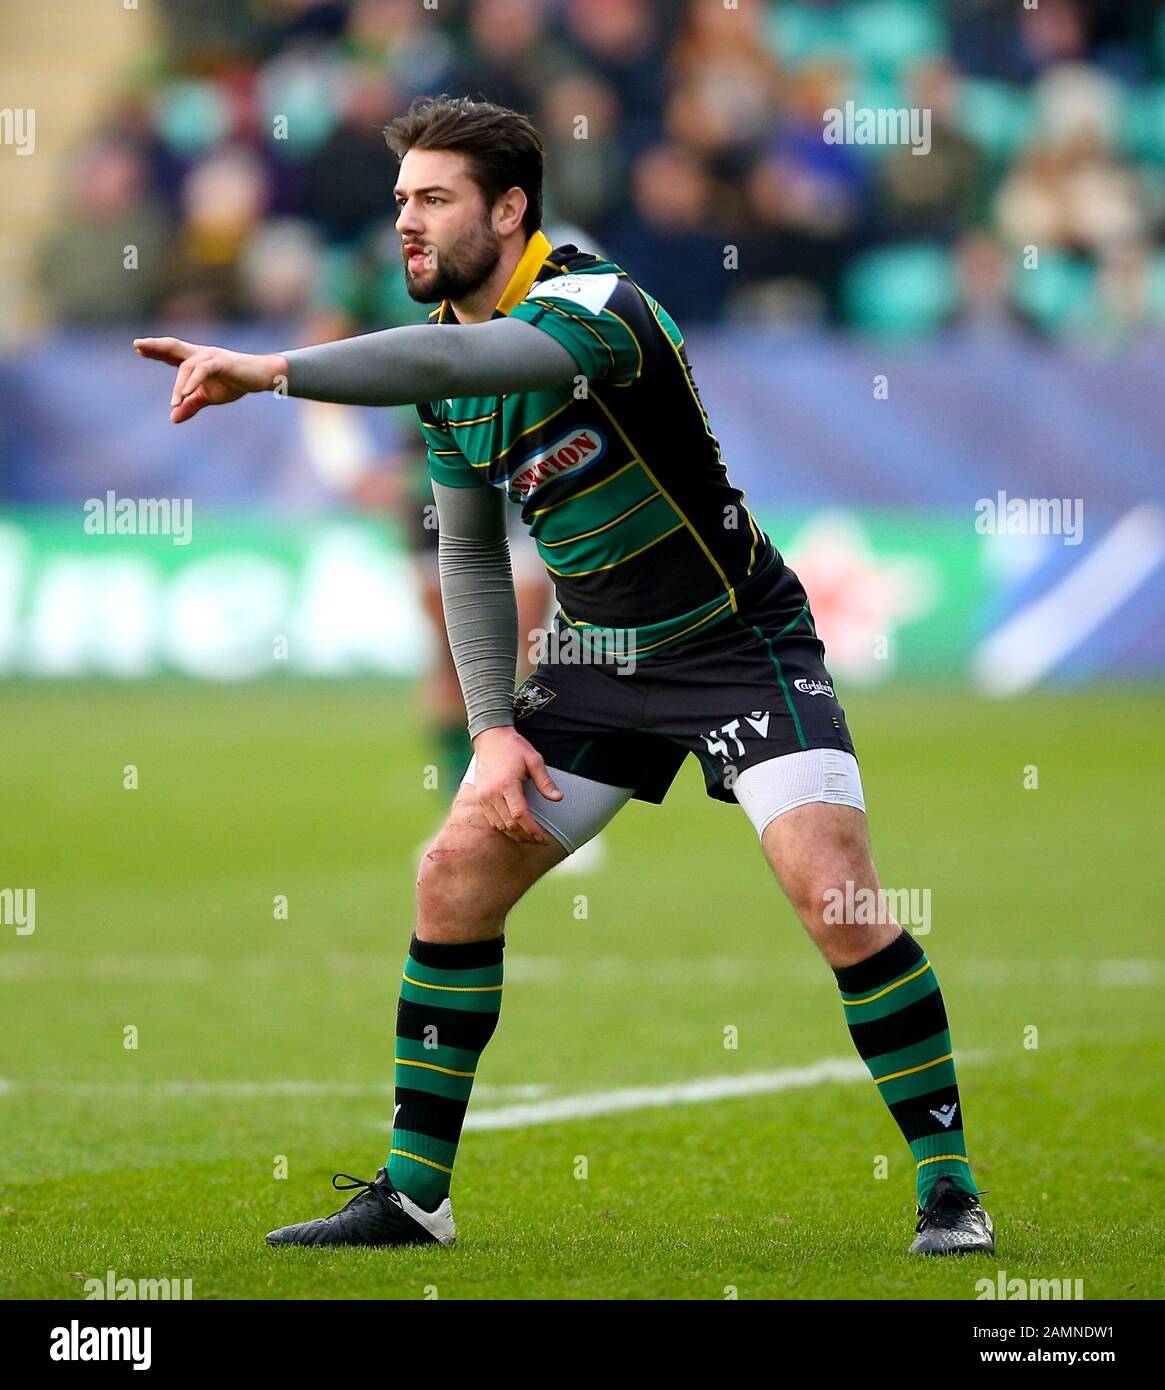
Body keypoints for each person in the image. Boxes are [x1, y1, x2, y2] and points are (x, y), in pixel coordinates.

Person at [134, 94, 994, 1257]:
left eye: (432, 199)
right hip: (592, 661)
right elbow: (471, 556)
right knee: (450, 876)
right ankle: (412, 1194)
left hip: (735, 643)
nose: (408, 224)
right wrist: (492, 727)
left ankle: (948, 1188)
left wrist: (271, 368)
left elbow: (449, 351)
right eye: (400, 202)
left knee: (831, 895)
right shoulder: (443, 367)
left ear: (510, 207)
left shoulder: (599, 306)